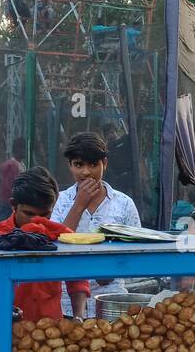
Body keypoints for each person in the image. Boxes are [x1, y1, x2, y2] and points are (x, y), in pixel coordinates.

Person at [50, 131, 141, 318]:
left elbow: (136, 253)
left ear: (104, 164)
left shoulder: (124, 204)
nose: (85, 172)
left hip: (112, 300)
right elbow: (54, 246)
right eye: (78, 165)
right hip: (68, 303)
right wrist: (79, 205)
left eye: (93, 164)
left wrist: (111, 271)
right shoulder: (59, 201)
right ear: (70, 166)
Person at [0, 169, 89, 319]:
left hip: (51, 332)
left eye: (45, 215)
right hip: (6, 332)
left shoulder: (60, 237)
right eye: (29, 214)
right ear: (13, 205)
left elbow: (78, 279)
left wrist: (78, 317)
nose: (36, 221)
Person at [0, 137, 27, 206]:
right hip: (10, 202)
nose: (25, 151)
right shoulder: (11, 165)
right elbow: (9, 186)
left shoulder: (21, 164)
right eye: (23, 149)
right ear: (17, 149)